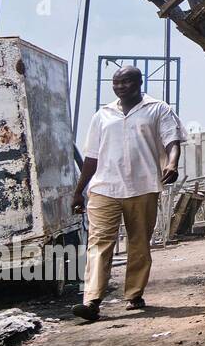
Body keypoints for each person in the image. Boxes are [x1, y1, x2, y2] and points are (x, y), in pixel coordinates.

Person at [70, 66, 185, 322]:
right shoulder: (103, 115)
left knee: (139, 242)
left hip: (142, 186)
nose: (121, 87)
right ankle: (92, 300)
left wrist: (172, 163)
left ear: (139, 83)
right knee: (99, 243)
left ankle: (133, 294)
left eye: (126, 82)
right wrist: (79, 191)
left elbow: (172, 141)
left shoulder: (158, 109)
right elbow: (91, 157)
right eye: (116, 83)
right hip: (104, 188)